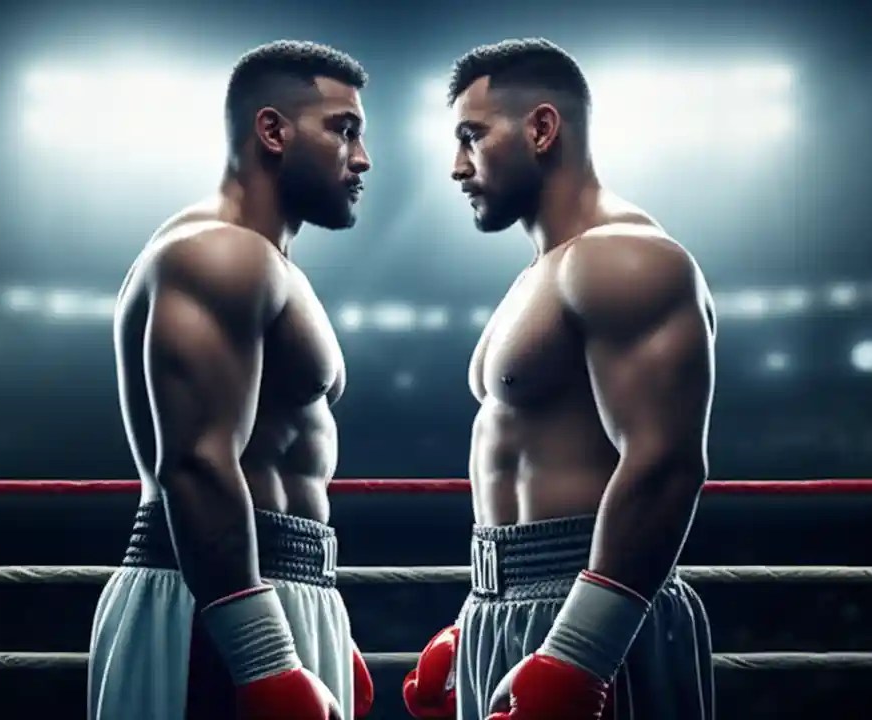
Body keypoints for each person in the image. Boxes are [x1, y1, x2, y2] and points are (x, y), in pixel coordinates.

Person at [403, 38, 716, 720]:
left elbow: (664, 465)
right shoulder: (539, 275)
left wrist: (579, 654)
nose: (457, 167)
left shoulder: (627, 259)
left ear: (542, 128)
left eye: (471, 137)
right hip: (508, 608)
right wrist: (475, 621)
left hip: (598, 620)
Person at [88, 40, 375, 720]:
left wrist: (323, 624)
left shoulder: (268, 264)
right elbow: (195, 463)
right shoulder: (216, 253)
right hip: (214, 609)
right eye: (344, 128)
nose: (361, 158)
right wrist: (264, 657)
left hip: (270, 590)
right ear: (272, 130)